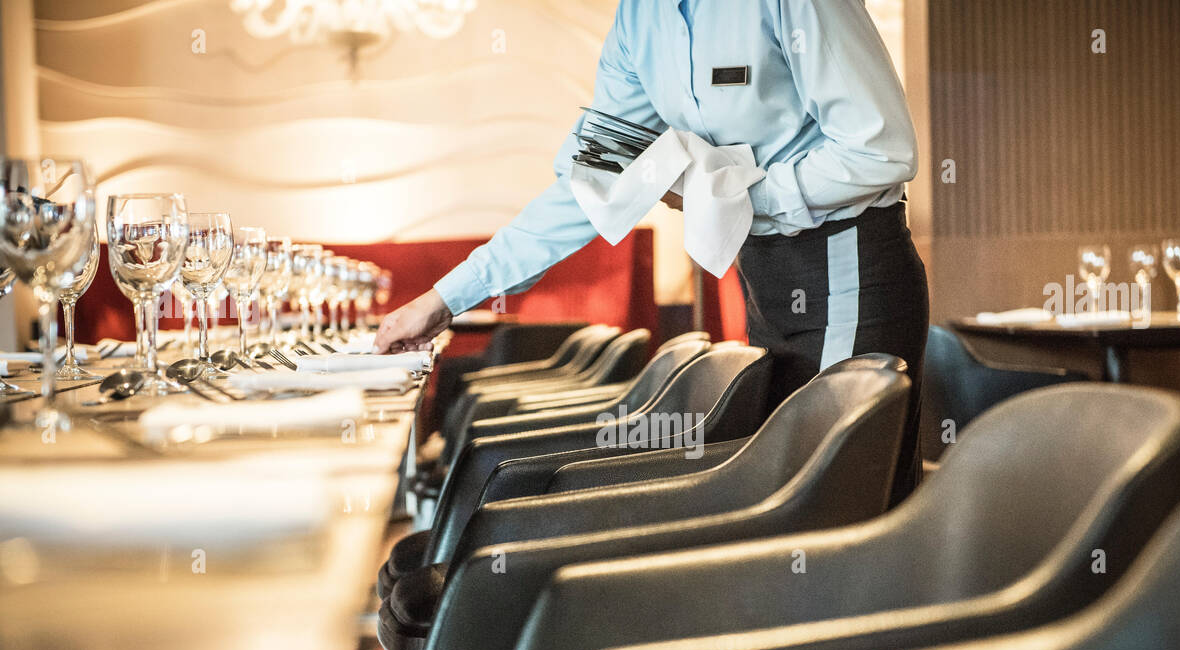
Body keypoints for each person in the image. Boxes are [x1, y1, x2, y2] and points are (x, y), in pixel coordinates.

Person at [376, 0, 929, 503]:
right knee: (783, 499)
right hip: (763, 281)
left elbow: (882, 149)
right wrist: (445, 298)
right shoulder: (639, 20)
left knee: (840, 503)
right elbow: (591, 183)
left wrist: (733, 194)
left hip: (850, 266)